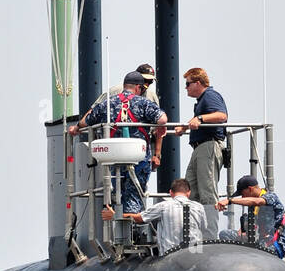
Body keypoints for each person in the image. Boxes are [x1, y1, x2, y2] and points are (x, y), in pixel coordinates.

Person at [71, 71, 168, 213]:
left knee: (117, 192)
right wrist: (160, 129)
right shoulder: (143, 103)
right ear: (138, 88)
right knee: (135, 194)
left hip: (114, 158)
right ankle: (132, 227)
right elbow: (162, 119)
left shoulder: (107, 103)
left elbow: (87, 120)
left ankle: (118, 222)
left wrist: (77, 128)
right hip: (138, 158)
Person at [173, 67, 228, 236]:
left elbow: (221, 116)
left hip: (208, 146)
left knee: (207, 192)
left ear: (198, 83)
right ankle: (194, 234)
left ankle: (210, 236)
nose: (186, 88)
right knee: (191, 190)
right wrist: (185, 126)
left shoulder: (210, 96)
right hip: (199, 147)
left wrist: (200, 118)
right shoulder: (202, 101)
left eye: (188, 84)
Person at [102, 177, 204, 254]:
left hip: (170, 256)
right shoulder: (199, 207)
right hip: (193, 256)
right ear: (189, 193)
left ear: (171, 193)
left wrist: (116, 215)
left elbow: (139, 218)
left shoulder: (163, 206)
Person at [218, 174, 285, 259]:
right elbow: (244, 231)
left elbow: (258, 201)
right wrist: (241, 235)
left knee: (259, 251)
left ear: (250, 189)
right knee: (225, 234)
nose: (242, 197)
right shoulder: (254, 208)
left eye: (243, 194)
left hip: (273, 245)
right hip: (259, 242)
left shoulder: (271, 197)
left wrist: (230, 201)